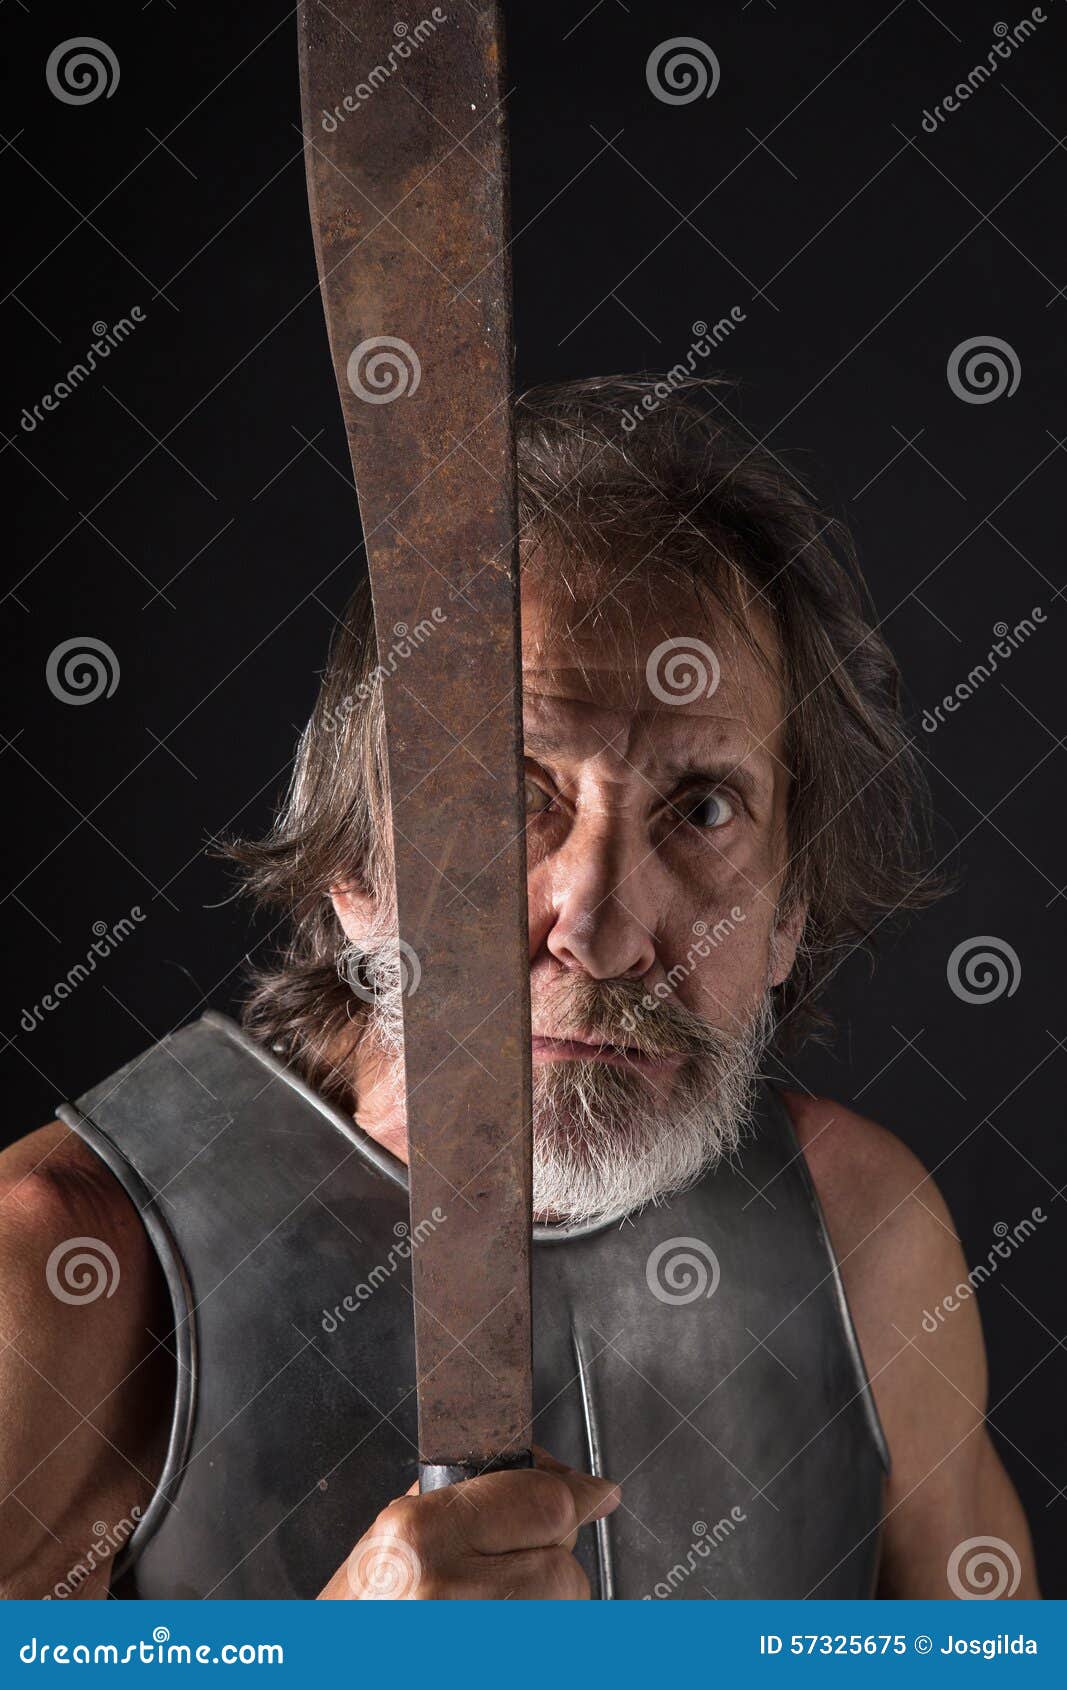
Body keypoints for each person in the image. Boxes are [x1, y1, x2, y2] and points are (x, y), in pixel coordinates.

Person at [0, 380, 1038, 1600]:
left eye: (701, 807)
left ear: (788, 916)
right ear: (356, 868)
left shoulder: (862, 1236)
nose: (597, 929)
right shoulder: (67, 1263)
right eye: (511, 794)